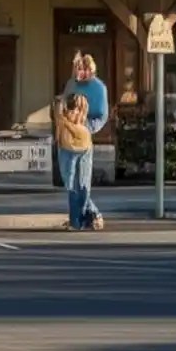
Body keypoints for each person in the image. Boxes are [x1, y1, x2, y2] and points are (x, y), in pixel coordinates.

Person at [61, 52, 107, 230]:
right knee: (70, 180)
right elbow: (65, 105)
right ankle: (88, 215)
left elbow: (102, 116)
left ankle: (77, 220)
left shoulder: (99, 88)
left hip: (83, 138)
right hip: (67, 136)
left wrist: (86, 128)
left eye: (83, 69)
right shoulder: (71, 84)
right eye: (77, 69)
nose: (79, 73)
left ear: (91, 70)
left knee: (82, 181)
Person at [55, 93, 94, 230]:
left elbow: (69, 122)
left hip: (78, 149)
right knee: (73, 186)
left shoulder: (79, 126)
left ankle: (78, 220)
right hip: (69, 149)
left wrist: (63, 115)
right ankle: (80, 219)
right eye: (71, 110)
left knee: (78, 186)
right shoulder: (65, 119)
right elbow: (60, 118)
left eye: (76, 110)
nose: (73, 113)